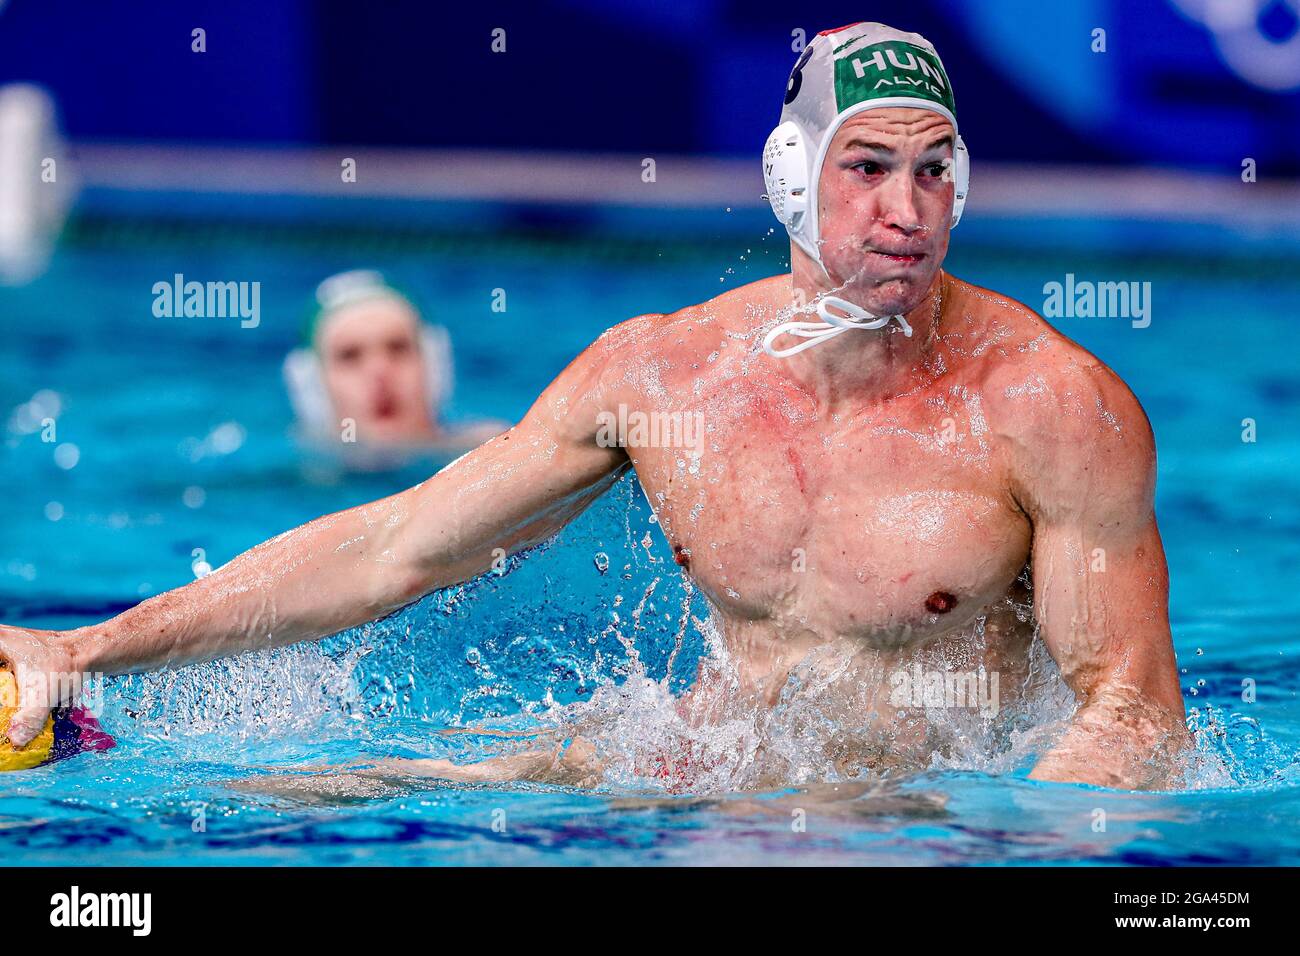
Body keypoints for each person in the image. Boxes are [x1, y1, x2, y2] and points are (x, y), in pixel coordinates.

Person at [0, 23, 1190, 791]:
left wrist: (1012, 841)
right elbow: (392, 549)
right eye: (867, 166)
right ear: (788, 178)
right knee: (294, 797)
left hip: (922, 814)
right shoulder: (663, 376)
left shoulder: (1044, 406)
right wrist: (82, 645)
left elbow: (1134, 717)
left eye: (935, 169)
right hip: (693, 774)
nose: (907, 209)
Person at [283, 269, 505, 451]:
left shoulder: (490, 450)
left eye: (398, 348)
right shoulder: (282, 474)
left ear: (434, 365)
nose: (379, 371)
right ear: (314, 386)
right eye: (350, 356)